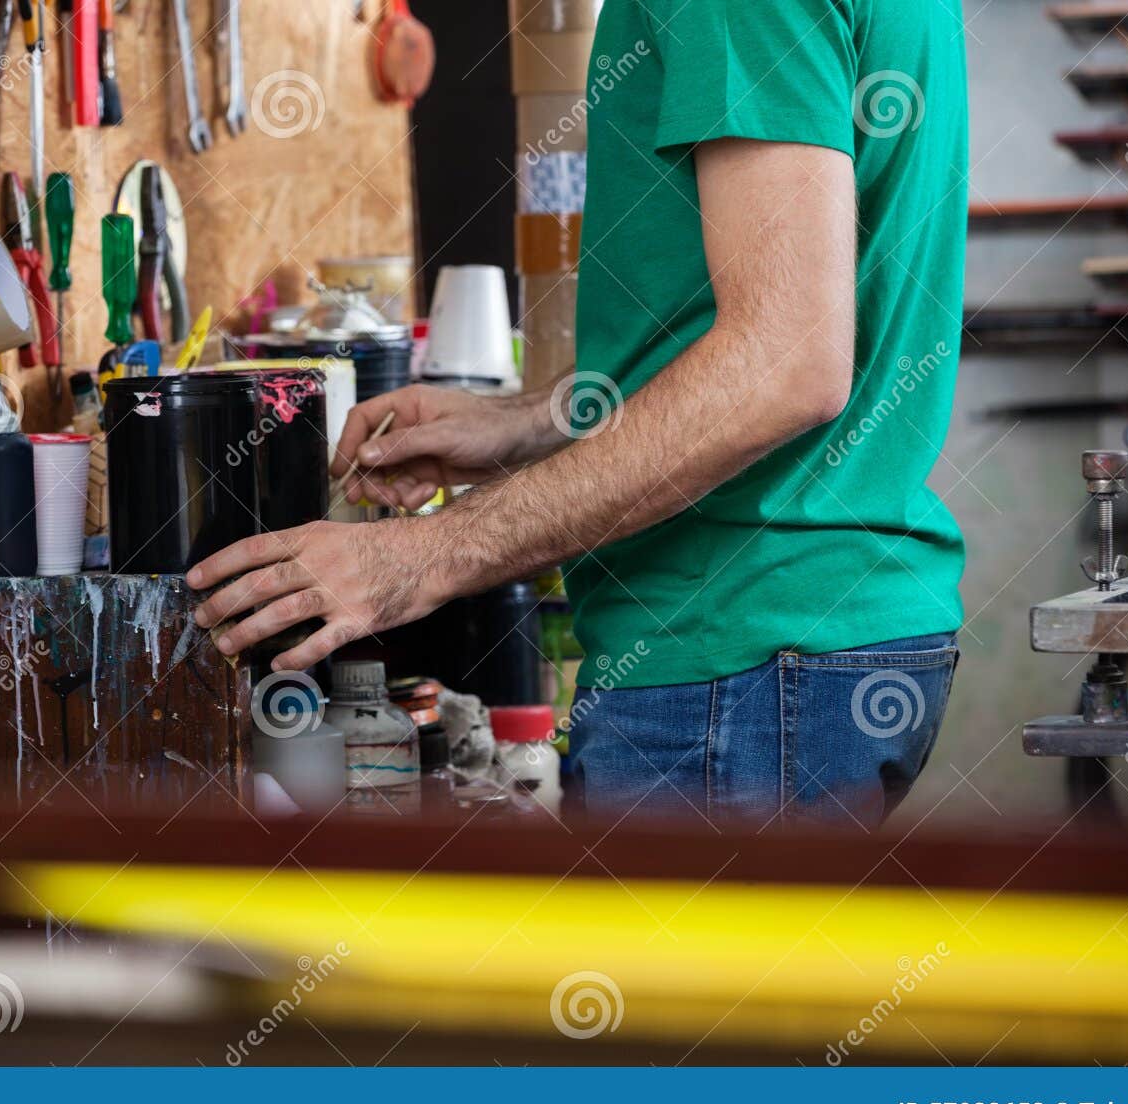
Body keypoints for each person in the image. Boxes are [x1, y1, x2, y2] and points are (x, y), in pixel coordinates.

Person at [190, 0, 966, 828]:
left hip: (739, 650)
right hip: (803, 637)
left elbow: (784, 369)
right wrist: (527, 425)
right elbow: (759, 329)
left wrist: (416, 558)